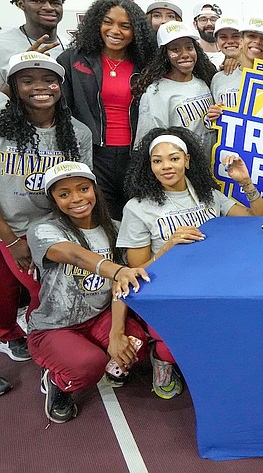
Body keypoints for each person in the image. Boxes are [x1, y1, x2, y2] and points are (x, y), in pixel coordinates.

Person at [118, 127, 263, 398]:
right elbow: (136, 272)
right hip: (167, 292)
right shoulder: (137, 208)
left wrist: (246, 183)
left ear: (187, 160)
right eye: (157, 161)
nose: (166, 166)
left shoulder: (209, 195)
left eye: (174, 158)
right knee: (178, 345)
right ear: (149, 165)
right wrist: (168, 247)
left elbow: (260, 222)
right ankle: (161, 357)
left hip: (213, 285)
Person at [27, 161, 149, 423]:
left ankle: (107, 358)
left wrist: (116, 333)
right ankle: (57, 381)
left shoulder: (115, 228)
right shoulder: (42, 229)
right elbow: (74, 255)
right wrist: (116, 270)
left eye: (83, 188)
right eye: (64, 194)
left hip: (99, 317)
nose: (76, 198)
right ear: (54, 200)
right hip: (55, 326)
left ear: (94, 189)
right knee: (88, 366)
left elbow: (122, 286)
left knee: (135, 343)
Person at [0, 52, 92, 369]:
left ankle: (49, 343)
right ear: (14, 87)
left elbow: (83, 188)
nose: (40, 87)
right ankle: (22, 340)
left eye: (49, 80)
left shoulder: (78, 133)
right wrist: (13, 241)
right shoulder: (2, 130)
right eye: (27, 81)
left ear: (59, 86)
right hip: (10, 228)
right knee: (19, 290)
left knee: (48, 291)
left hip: (53, 230)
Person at [57, 0, 157, 220]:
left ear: (136, 31)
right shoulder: (73, 59)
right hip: (93, 154)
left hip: (136, 155)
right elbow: (60, 108)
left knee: (136, 219)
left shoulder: (147, 64)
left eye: (125, 26)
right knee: (102, 220)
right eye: (107, 22)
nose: (115, 31)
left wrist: (233, 59)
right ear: (96, 23)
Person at [133, 21, 219, 156]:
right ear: (164, 54)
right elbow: (148, 143)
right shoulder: (155, 92)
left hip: (210, 165)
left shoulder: (203, 82)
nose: (185, 54)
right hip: (179, 166)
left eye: (189, 47)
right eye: (175, 49)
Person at [0, 0, 70, 87]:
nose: (48, 7)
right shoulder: (2, 45)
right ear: (21, 4)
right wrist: (22, 68)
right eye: (37, 1)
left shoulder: (71, 47)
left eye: (55, 2)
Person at [211, 16, 263, 110]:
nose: (257, 41)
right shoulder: (219, 79)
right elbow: (213, 112)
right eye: (251, 36)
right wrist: (213, 114)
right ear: (241, 42)